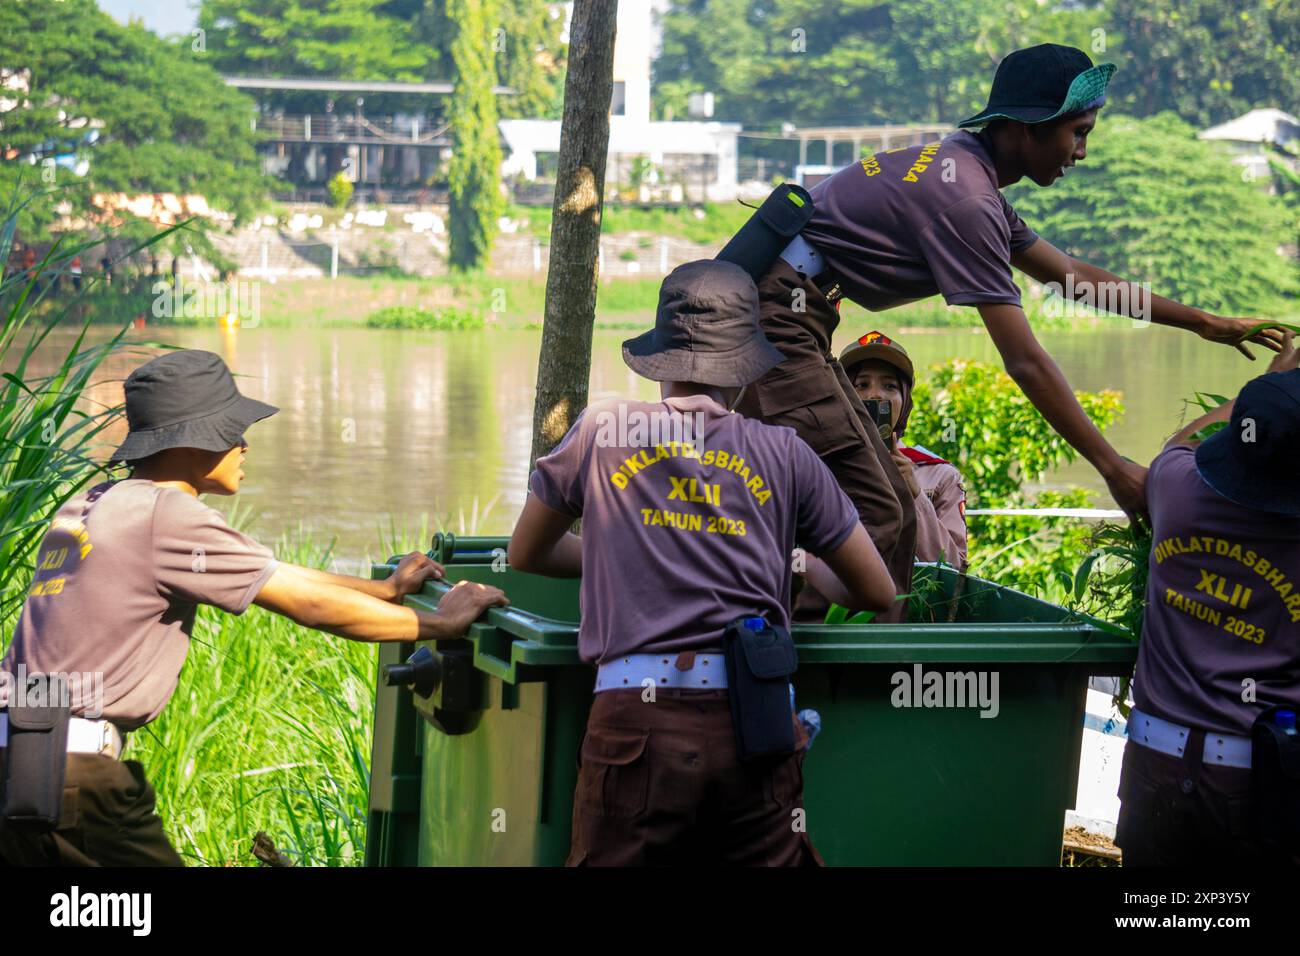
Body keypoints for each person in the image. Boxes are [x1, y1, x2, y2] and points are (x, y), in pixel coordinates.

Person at [733, 43, 1285, 622]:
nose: (1082, 151)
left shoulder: (969, 174)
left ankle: (841, 656)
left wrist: (1205, 324)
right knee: (879, 511)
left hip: (797, 315)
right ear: (1028, 128)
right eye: (1077, 132)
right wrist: (1112, 467)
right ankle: (782, 658)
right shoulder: (966, 198)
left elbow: (1071, 278)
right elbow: (1024, 361)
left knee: (890, 502)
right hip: (774, 321)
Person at [0, 350, 507, 866]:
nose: (243, 444)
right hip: (74, 779)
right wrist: (440, 621)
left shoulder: (95, 504)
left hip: (19, 759)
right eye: (233, 429)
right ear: (197, 437)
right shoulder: (166, 513)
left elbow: (275, 573)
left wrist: (383, 591)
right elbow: (308, 605)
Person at [509, 260, 896, 866]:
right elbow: (875, 590)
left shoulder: (603, 429)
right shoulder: (785, 453)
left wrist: (625, 548)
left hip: (633, 727)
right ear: (744, 369)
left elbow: (524, 552)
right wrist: (794, 564)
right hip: (755, 726)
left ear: (659, 356)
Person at [1114, 332, 1300, 866]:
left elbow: (1180, 440)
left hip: (1152, 773)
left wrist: (1260, 390)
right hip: (1262, 786)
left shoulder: (1176, 488)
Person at [840, 331, 967, 569]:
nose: (875, 394)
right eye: (861, 385)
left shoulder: (940, 477)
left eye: (889, 386)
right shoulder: (817, 464)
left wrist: (915, 496)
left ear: (905, 400)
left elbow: (955, 571)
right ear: (843, 395)